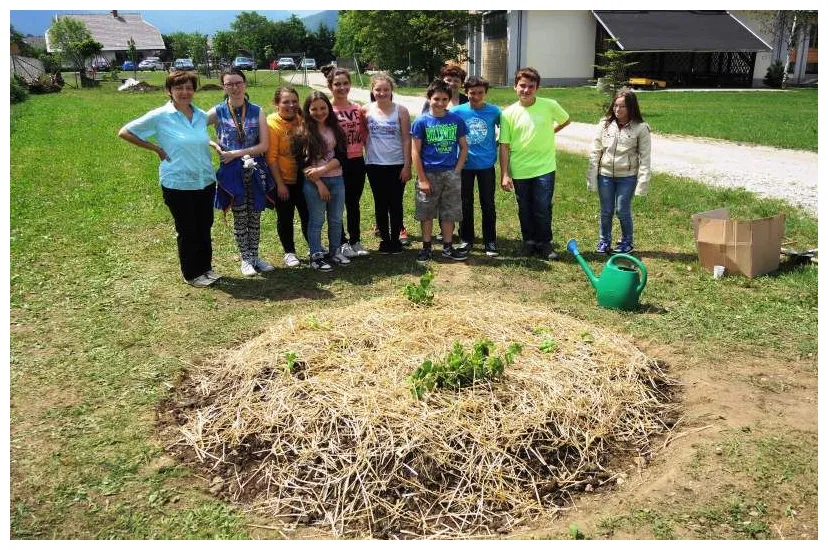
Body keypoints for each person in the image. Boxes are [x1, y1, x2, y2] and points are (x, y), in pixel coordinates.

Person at [118, 70, 220, 288]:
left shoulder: (200, 115)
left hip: (205, 181)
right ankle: (192, 273)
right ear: (169, 91)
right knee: (188, 229)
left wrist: (212, 144)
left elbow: (197, 138)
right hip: (178, 183)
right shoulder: (160, 116)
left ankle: (206, 268)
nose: (185, 92)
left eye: (189, 87)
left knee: (204, 226)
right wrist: (155, 148)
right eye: (179, 88)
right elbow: (125, 132)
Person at [208, 68, 275, 277]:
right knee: (240, 215)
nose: (235, 87)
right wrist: (214, 145)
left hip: (255, 169)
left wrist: (236, 152)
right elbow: (194, 129)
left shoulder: (257, 110)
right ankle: (245, 259)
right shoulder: (217, 111)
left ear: (245, 84)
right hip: (231, 171)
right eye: (229, 84)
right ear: (223, 86)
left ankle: (255, 256)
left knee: (254, 214)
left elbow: (264, 145)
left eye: (238, 83)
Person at [499, 66, 570, 260]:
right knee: (525, 207)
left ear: (537, 88)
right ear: (515, 87)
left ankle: (544, 243)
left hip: (544, 168)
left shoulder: (550, 105)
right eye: (522, 86)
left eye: (531, 86)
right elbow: (504, 145)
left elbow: (566, 120)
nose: (526, 90)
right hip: (520, 169)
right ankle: (529, 242)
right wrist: (505, 174)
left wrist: (550, 132)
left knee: (543, 206)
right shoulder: (508, 114)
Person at [586, 88, 651, 254]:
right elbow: (595, 151)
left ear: (631, 108)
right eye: (615, 106)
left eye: (622, 106)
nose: (617, 110)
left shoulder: (641, 128)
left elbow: (645, 158)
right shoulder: (604, 124)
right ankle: (604, 241)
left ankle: (626, 242)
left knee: (622, 210)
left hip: (627, 177)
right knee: (606, 211)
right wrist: (592, 177)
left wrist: (642, 183)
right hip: (605, 176)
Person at [411, 79, 469, 262]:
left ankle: (447, 246)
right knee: (426, 212)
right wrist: (422, 179)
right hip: (428, 174)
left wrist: (456, 170)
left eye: (445, 99)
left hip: (450, 174)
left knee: (449, 212)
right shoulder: (421, 122)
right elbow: (415, 151)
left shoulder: (456, 120)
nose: (441, 103)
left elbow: (464, 147)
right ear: (429, 98)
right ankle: (427, 247)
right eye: (436, 99)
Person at [292, 91, 348, 272]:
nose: (319, 112)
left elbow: (342, 156)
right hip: (314, 184)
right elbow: (302, 163)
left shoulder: (336, 129)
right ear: (307, 110)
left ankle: (335, 251)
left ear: (328, 108)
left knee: (336, 219)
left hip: (337, 180)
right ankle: (315, 256)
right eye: (314, 109)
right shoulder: (302, 133)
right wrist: (320, 183)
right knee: (316, 220)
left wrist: (323, 170)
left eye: (323, 108)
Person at [450, 76, 502, 256]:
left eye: (480, 93)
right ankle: (466, 239)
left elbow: (506, 133)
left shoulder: (494, 111)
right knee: (465, 203)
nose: (476, 96)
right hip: (464, 164)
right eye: (472, 93)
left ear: (485, 93)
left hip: (486, 164)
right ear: (466, 92)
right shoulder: (457, 111)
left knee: (488, 203)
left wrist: (495, 144)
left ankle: (490, 241)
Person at [323, 65, 369, 259]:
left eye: (345, 84)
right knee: (336, 204)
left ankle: (355, 240)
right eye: (337, 84)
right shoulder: (327, 110)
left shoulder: (357, 109)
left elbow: (365, 134)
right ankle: (341, 242)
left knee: (353, 203)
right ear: (330, 86)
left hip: (357, 161)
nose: (342, 88)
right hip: (336, 163)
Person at [363, 72, 412, 254]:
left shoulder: (401, 110)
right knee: (380, 203)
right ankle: (385, 239)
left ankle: (395, 239)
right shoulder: (365, 110)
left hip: (397, 164)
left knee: (396, 203)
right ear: (372, 90)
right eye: (378, 89)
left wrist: (407, 165)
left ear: (392, 90)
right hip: (374, 165)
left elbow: (407, 139)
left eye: (386, 89)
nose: (382, 93)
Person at [266, 86, 309, 268]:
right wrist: (280, 184)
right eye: (285, 102)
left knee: (308, 214)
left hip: (303, 177)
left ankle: (314, 247)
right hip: (282, 180)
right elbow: (271, 158)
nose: (290, 105)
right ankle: (289, 252)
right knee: (285, 216)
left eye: (294, 101)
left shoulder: (302, 120)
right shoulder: (271, 124)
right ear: (277, 104)